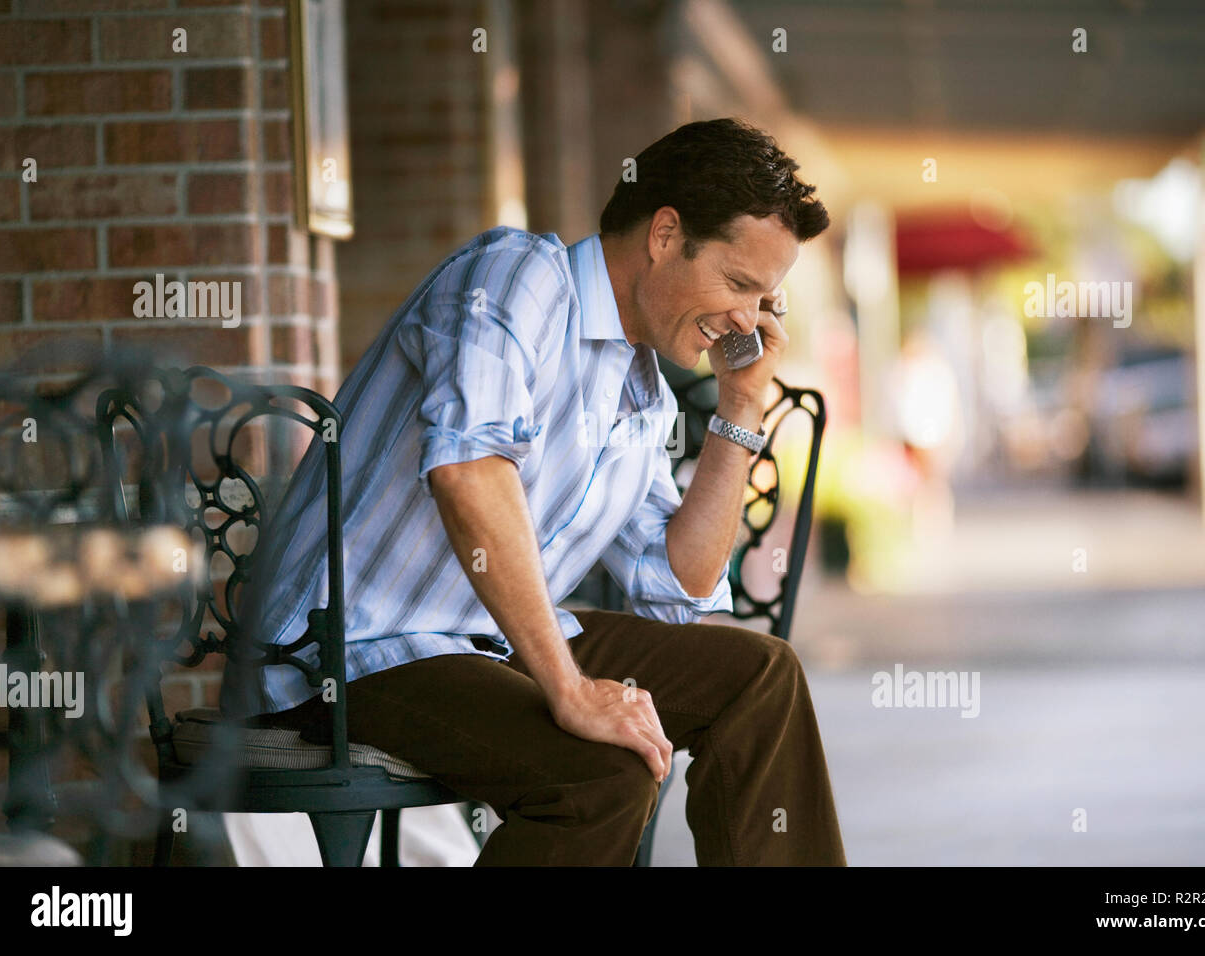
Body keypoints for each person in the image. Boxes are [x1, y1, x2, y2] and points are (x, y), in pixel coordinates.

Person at [225, 117, 847, 866]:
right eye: (739, 284)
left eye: (766, 298)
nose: (748, 319)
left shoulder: (640, 386)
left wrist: (740, 410)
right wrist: (571, 688)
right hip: (352, 648)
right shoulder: (515, 278)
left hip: (482, 642)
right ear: (664, 233)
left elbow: (676, 588)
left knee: (759, 678)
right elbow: (469, 470)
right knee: (599, 773)